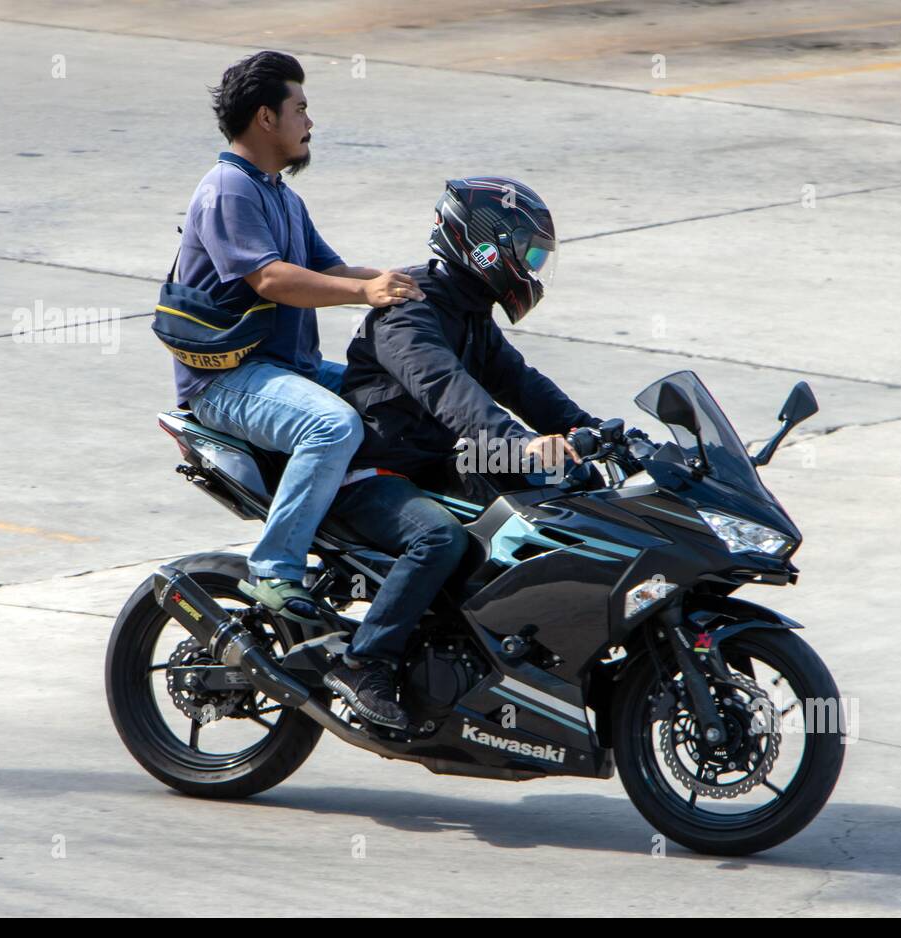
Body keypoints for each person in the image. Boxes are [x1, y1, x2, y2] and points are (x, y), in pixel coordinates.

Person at [323, 177, 601, 728]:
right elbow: (452, 395)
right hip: (372, 472)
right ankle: (364, 662)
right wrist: (521, 446)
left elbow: (521, 383)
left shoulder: (469, 313)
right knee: (438, 537)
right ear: (486, 246)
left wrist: (593, 431)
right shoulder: (409, 310)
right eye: (530, 254)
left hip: (429, 465)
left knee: (553, 500)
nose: (535, 268)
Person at [175, 51, 424, 622]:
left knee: (401, 397)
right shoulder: (227, 191)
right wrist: (367, 294)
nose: (310, 123)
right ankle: (276, 569)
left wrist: (412, 283)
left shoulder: (282, 194)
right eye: (301, 109)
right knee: (332, 424)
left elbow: (332, 272)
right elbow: (272, 278)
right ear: (267, 118)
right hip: (229, 380)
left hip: (291, 369)